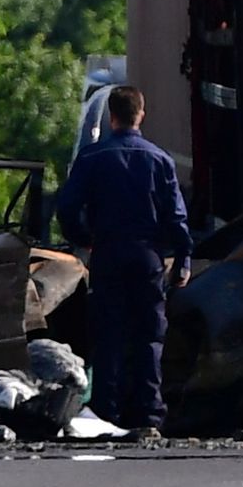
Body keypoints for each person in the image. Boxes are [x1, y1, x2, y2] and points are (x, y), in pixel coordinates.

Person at [54, 84, 192, 440]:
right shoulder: (159, 160)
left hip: (109, 253)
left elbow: (67, 207)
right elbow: (176, 216)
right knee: (149, 336)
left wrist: (84, 239)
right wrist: (183, 259)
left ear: (111, 116)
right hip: (148, 255)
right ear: (140, 114)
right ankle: (148, 415)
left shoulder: (92, 159)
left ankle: (106, 412)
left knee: (109, 334)